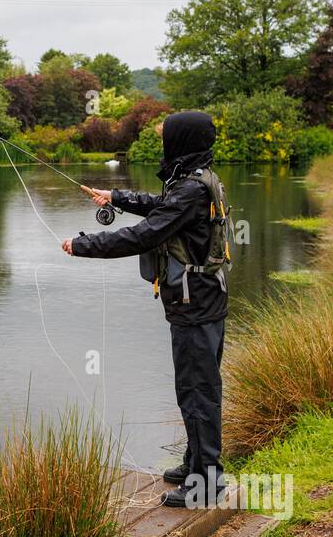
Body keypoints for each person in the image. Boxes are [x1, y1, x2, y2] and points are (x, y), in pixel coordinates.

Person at [61, 110, 228, 508]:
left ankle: (207, 481)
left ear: (181, 142)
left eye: (167, 139)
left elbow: (146, 234)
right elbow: (162, 207)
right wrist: (116, 197)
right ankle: (195, 463)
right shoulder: (197, 181)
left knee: (198, 390)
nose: (163, 146)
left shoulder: (190, 190)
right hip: (201, 299)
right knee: (192, 386)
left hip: (196, 303)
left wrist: (84, 245)